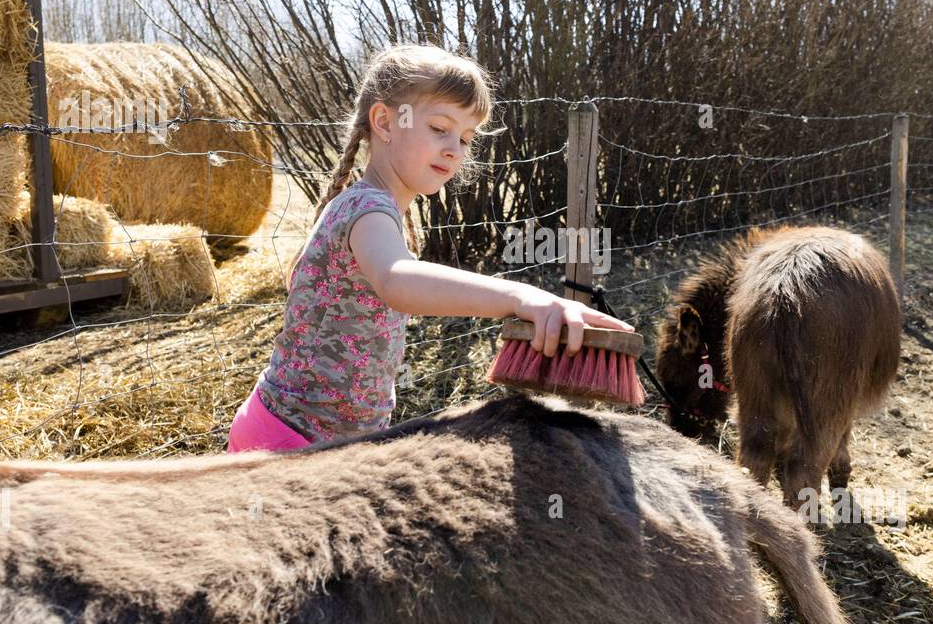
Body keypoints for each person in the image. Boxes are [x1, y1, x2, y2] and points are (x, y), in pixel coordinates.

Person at [227, 43, 633, 452]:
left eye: (466, 137)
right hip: (286, 444)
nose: (454, 148)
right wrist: (520, 295)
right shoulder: (366, 206)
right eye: (440, 128)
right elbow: (396, 279)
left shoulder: (377, 208)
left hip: (315, 440)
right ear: (384, 121)